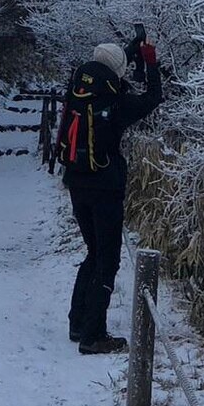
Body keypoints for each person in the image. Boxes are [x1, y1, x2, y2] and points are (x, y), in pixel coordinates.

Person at [58, 29, 163, 354]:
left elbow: (113, 63)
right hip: (105, 187)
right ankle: (93, 336)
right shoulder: (116, 102)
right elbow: (152, 99)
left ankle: (79, 323)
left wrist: (131, 50)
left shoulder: (78, 88)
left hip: (76, 182)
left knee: (93, 251)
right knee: (108, 259)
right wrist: (151, 63)